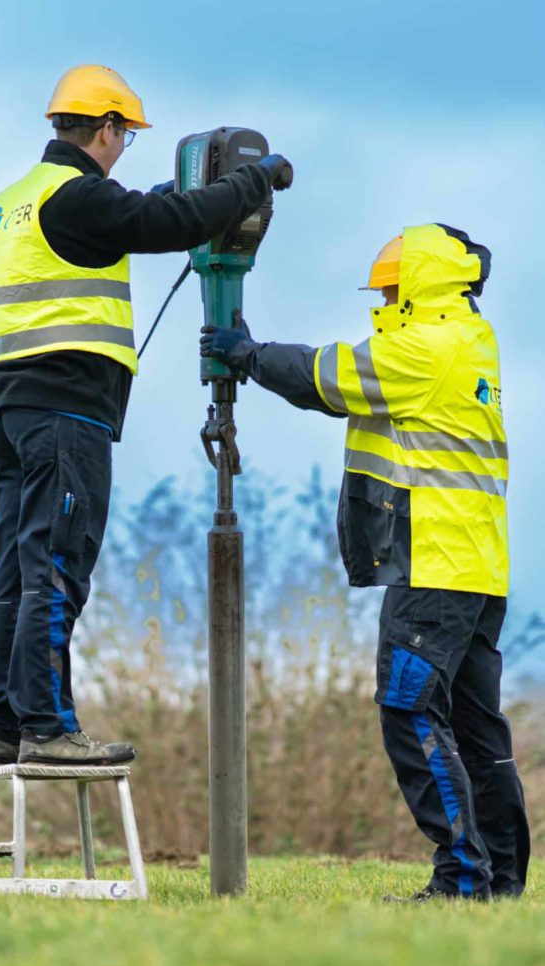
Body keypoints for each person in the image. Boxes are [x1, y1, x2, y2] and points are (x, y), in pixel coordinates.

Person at [200, 223, 530, 900]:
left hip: (433, 569)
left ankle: (463, 878)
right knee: (474, 727)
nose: (380, 301)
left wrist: (249, 356)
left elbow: (331, 376)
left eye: (388, 289)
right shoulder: (470, 340)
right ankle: (500, 880)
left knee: (408, 709)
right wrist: (260, 359)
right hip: (474, 571)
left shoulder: (426, 348)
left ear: (417, 286)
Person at [0, 64, 292, 768]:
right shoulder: (77, 198)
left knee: (12, 573)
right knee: (56, 567)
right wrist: (254, 180)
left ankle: (3, 724)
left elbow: (128, 213)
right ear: (107, 127)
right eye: (126, 134)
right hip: (67, 407)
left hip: (12, 407)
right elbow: (168, 224)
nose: (126, 146)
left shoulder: (18, 200)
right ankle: (49, 729)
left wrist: (180, 192)